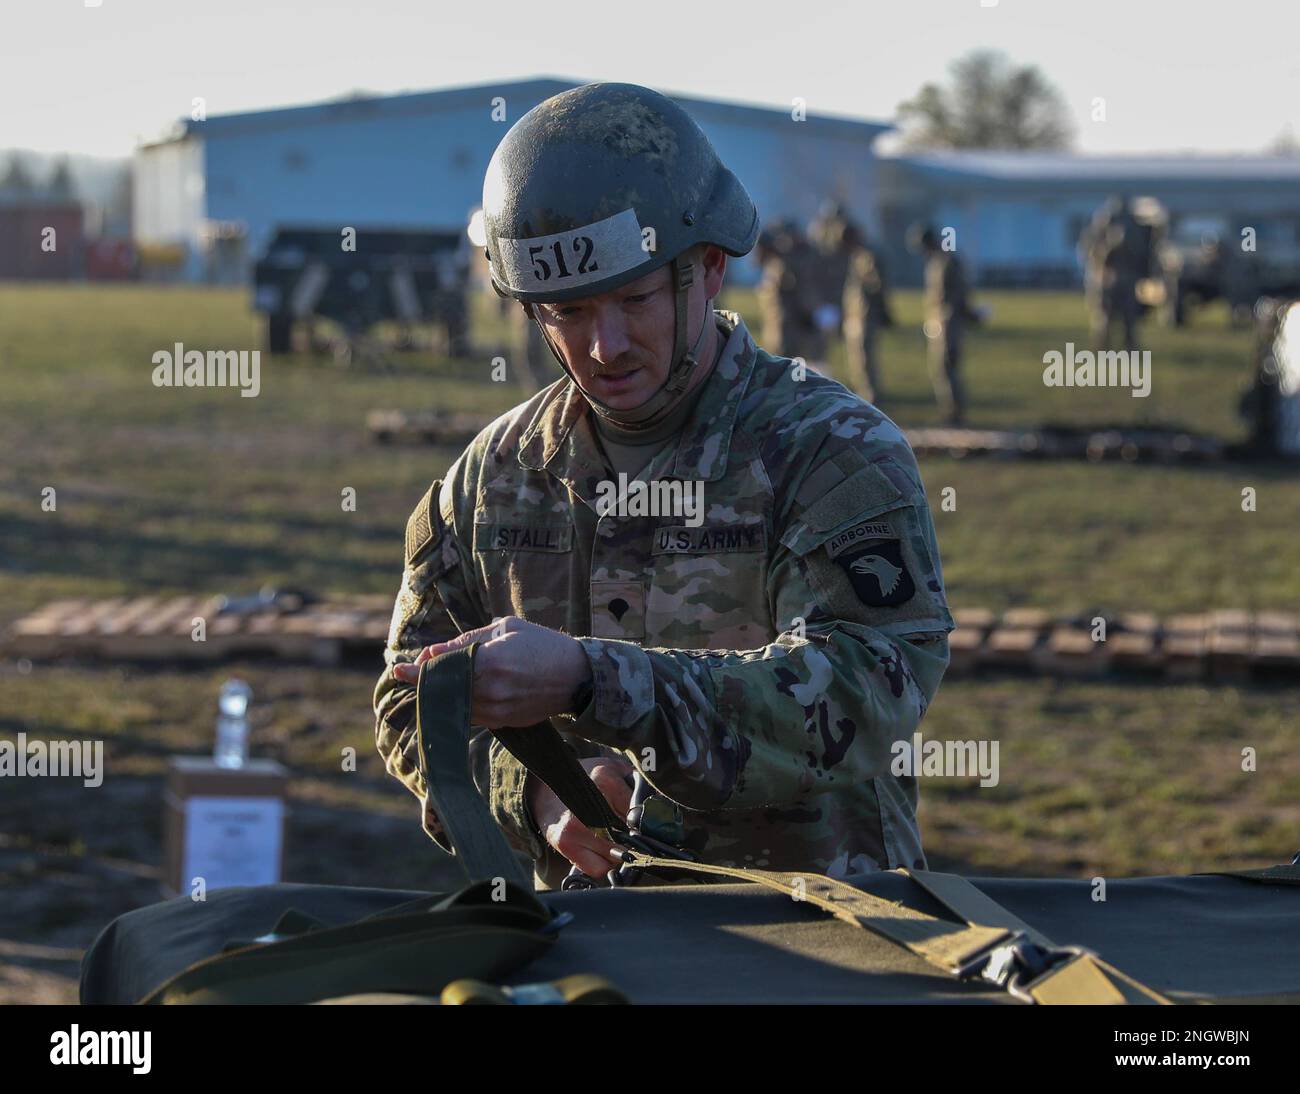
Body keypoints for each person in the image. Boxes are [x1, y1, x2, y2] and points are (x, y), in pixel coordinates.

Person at [374, 83, 955, 891]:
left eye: (635, 299)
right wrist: (541, 795)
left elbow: (868, 691)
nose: (605, 345)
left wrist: (592, 680)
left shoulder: (831, 452)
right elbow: (412, 702)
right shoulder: (492, 476)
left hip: (828, 931)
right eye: (567, 313)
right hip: (603, 947)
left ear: (709, 269)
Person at [910, 223, 975, 424]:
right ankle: (950, 409)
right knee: (940, 367)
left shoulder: (948, 260)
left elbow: (959, 293)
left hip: (949, 321)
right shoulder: (936, 261)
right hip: (938, 321)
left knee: (947, 365)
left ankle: (955, 411)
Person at [840, 222, 893, 404]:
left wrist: (884, 312)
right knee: (857, 362)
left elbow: (877, 287)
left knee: (864, 362)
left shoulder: (868, 256)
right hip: (855, 315)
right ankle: (863, 397)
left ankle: (870, 400)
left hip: (865, 316)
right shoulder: (857, 256)